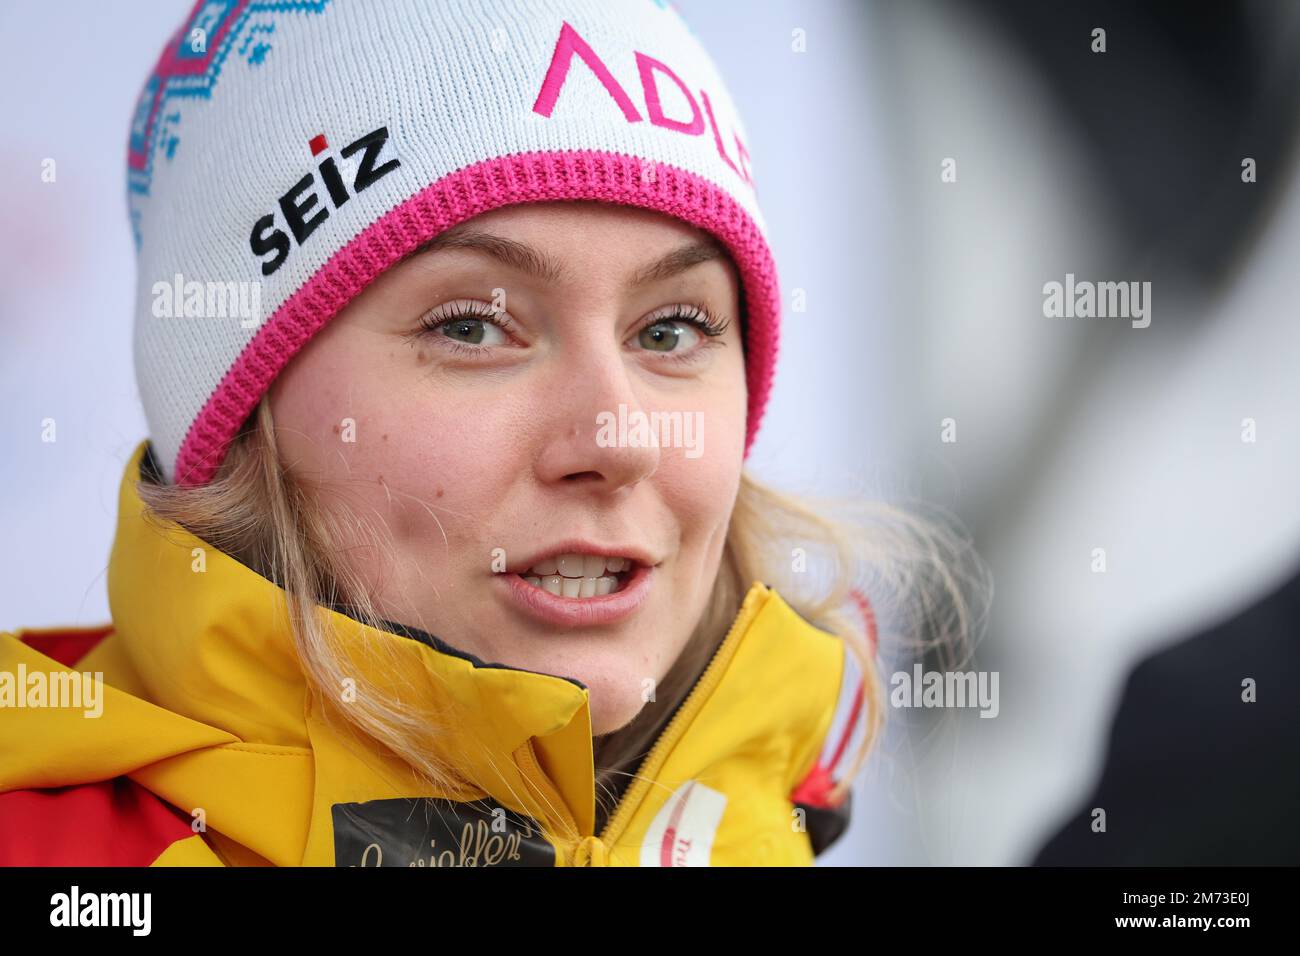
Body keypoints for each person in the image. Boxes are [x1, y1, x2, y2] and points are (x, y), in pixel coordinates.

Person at [0, 0, 979, 866]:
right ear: (246, 416)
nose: (614, 437)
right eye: (470, 326)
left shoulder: (774, 828)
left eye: (670, 330)